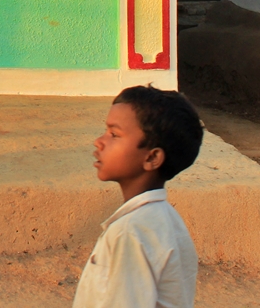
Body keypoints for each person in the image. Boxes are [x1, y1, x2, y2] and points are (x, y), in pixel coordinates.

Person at [73, 85, 204, 308]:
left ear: (152, 157)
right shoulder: (168, 220)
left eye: (114, 134)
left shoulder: (130, 233)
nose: (99, 141)